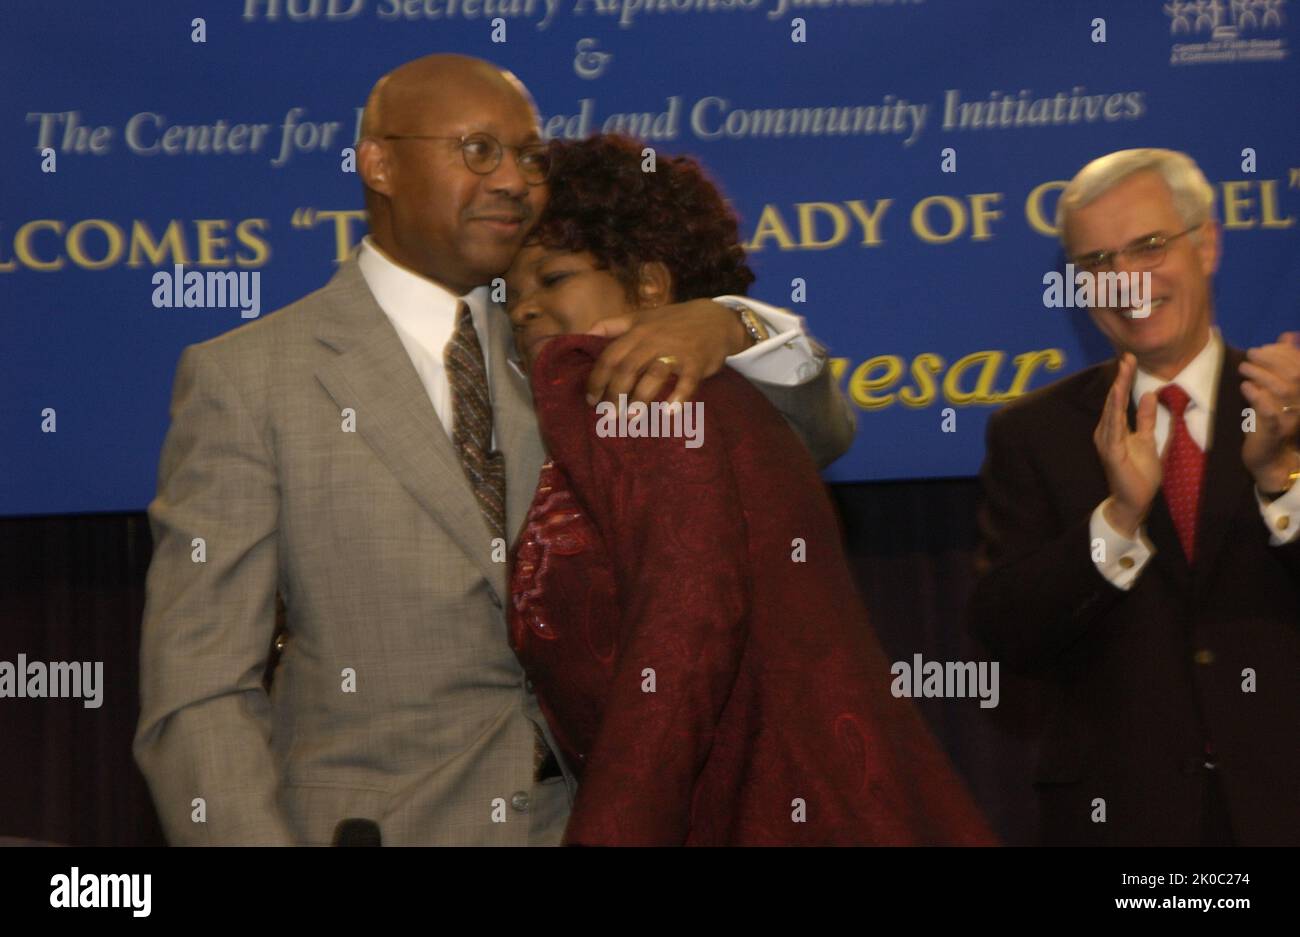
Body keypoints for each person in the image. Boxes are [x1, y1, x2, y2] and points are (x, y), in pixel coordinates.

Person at [133, 55, 854, 846]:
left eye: (530, 157)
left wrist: (735, 324)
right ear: (378, 162)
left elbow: (813, 438)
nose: (515, 179)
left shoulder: (579, 347)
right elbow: (197, 690)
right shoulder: (251, 378)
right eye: (479, 150)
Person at [503, 134, 997, 845]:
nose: (522, 309)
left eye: (552, 279)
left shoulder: (672, 396)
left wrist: (732, 318)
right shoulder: (559, 411)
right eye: (510, 293)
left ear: (649, 284)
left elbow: (685, 634)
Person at [969, 148, 1300, 846]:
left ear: (1206, 244)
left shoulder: (1290, 402)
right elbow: (1006, 634)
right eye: (1095, 262)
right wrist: (1116, 520)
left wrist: (1280, 480)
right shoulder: (1034, 432)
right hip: (1125, 823)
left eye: (1148, 246)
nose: (1124, 280)